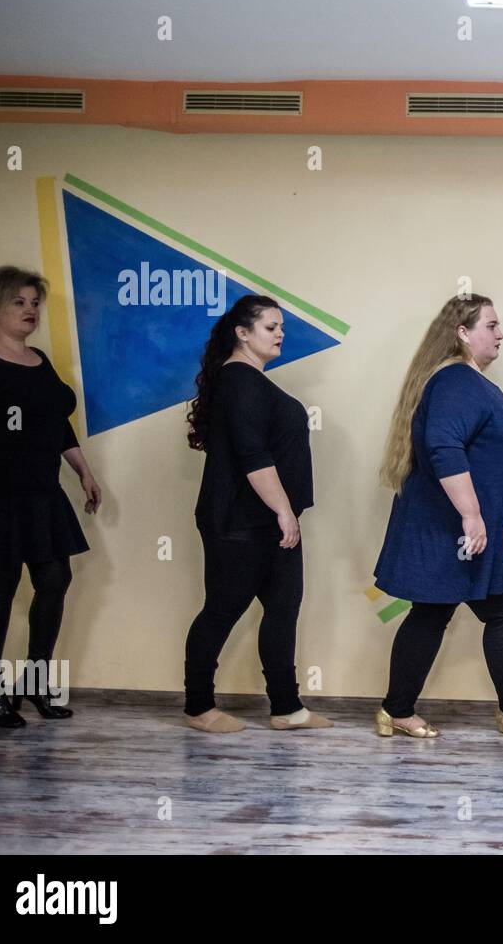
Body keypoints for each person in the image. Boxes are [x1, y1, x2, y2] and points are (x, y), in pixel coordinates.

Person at [373, 294, 503, 742]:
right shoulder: (456, 380)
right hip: (460, 528)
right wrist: (472, 517)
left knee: (435, 614)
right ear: (462, 333)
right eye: (491, 325)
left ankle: (396, 710)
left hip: (466, 528)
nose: (500, 334)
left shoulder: (463, 381)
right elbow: (443, 446)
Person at [182, 294, 331, 733]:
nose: (280, 333)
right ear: (242, 333)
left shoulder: (252, 381)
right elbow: (252, 454)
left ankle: (286, 707)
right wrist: (284, 510)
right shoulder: (239, 380)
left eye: (282, 326)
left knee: (283, 609)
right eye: (271, 327)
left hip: (270, 520)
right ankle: (198, 707)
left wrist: (284, 514)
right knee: (222, 609)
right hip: (239, 521)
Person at [0, 266, 102, 728]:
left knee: (55, 579)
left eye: (34, 302)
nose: (30, 310)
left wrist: (83, 470)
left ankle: (36, 682)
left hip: (43, 491)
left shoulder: (40, 360)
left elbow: (55, 424)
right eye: (18, 302)